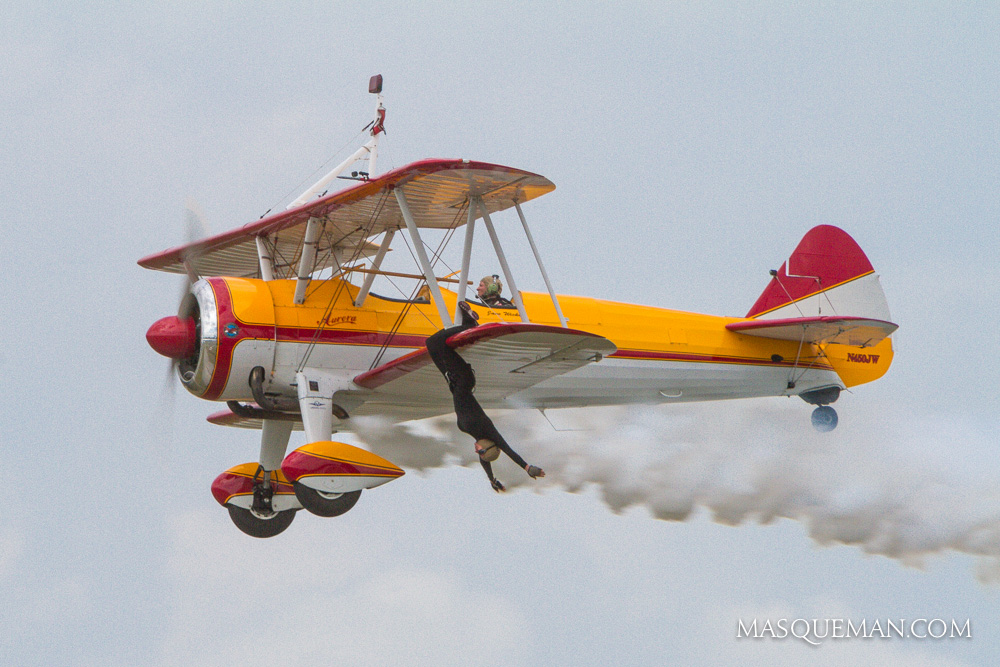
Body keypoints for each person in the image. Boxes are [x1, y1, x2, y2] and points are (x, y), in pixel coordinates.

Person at [425, 301, 545, 491]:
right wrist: (527, 467)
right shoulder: (487, 430)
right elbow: (507, 450)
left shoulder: (475, 435)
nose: (477, 451)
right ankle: (469, 325)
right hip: (463, 379)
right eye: (481, 451)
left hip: (453, 382)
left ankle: (467, 323)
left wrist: (492, 480)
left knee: (431, 346)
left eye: (479, 453)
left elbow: (485, 461)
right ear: (487, 446)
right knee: (434, 343)